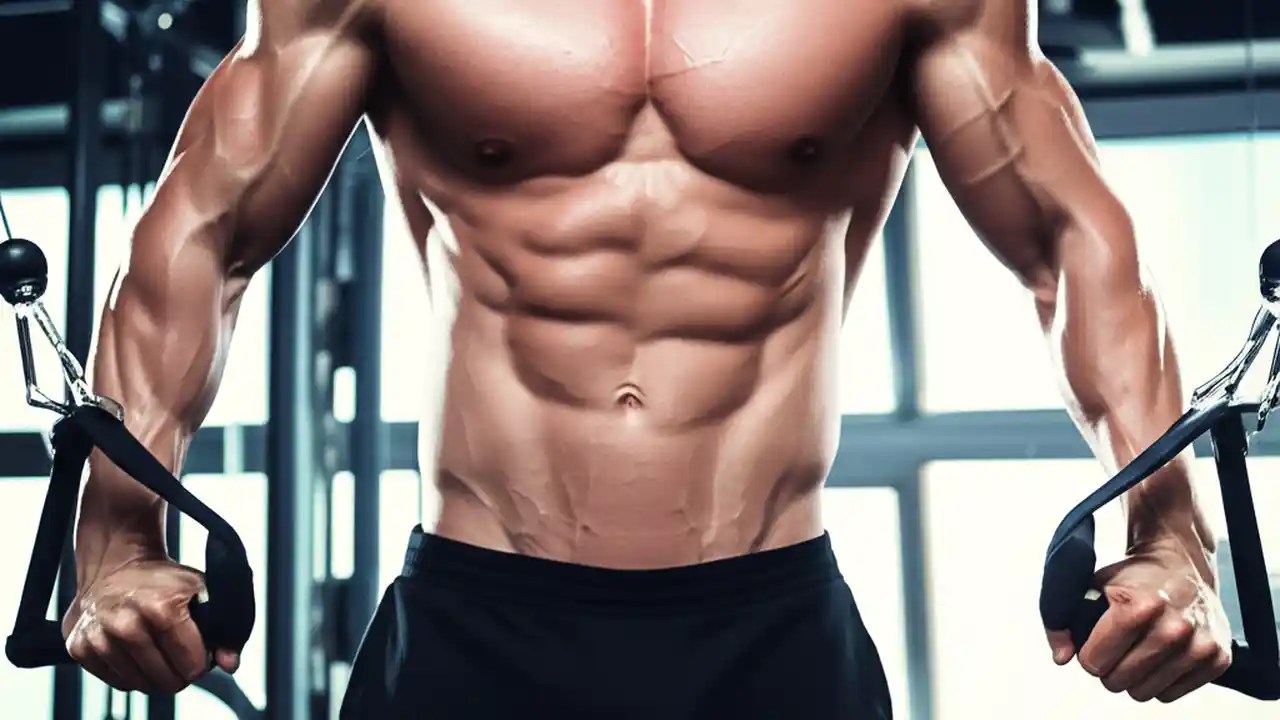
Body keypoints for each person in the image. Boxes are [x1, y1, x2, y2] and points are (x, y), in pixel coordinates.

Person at [60, 0, 1233, 716]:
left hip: (769, 629)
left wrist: (1171, 542)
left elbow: (1071, 246)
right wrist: (117, 544)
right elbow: (200, 238)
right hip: (474, 624)